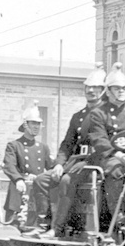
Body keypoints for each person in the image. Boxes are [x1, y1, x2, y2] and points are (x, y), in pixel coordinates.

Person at [51, 62, 125, 237]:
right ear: (108, 91)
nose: (121, 91)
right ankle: (117, 219)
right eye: (117, 89)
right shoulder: (98, 114)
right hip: (106, 157)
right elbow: (100, 140)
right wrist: (119, 154)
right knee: (113, 170)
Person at [30, 65, 107, 232]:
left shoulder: (107, 114)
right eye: (88, 87)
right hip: (74, 163)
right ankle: (43, 224)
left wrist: (86, 161)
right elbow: (67, 144)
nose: (91, 90)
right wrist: (58, 164)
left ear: (103, 90)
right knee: (41, 180)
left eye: (96, 87)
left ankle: (59, 228)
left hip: (95, 163)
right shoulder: (78, 116)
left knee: (66, 181)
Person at [2, 105, 54, 227]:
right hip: (19, 189)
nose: (37, 127)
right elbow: (9, 165)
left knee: (38, 224)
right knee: (15, 225)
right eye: (33, 123)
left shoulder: (43, 147)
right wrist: (18, 179)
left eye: (38, 124)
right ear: (25, 125)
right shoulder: (14, 145)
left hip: (37, 190)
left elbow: (51, 167)